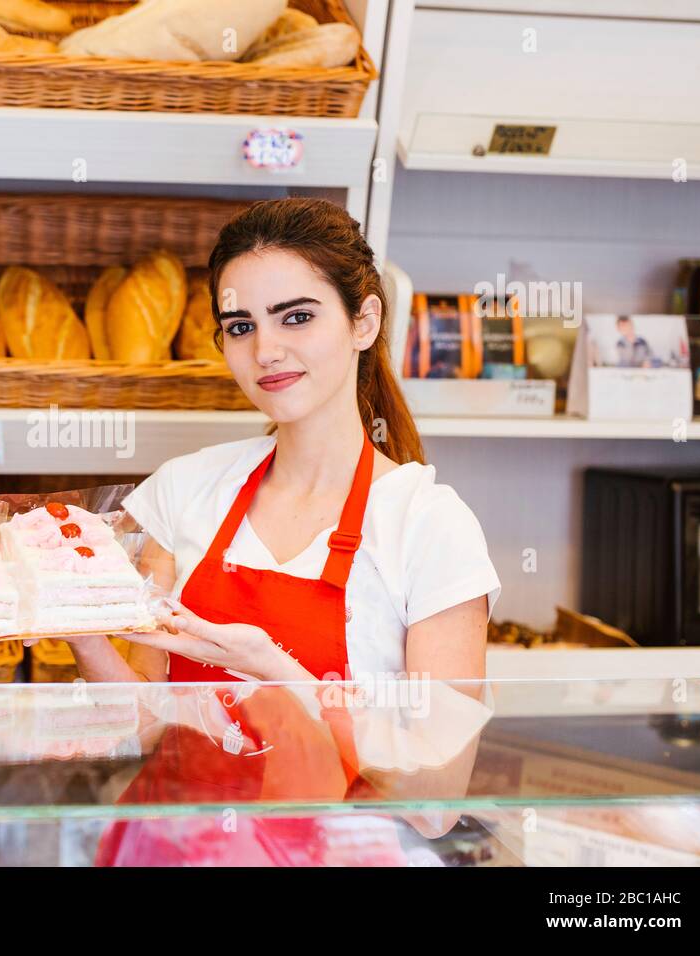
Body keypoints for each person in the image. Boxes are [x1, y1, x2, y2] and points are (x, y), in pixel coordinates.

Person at [48, 198, 502, 865]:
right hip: (170, 849)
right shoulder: (185, 491)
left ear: (364, 320)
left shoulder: (427, 526)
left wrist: (274, 670)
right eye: (240, 326)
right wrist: (77, 627)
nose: (266, 350)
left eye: (297, 316)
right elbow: (142, 728)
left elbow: (435, 801)